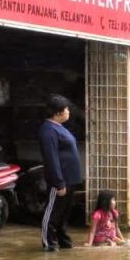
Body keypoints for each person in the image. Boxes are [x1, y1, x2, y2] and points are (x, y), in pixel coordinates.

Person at [39, 94, 83, 251]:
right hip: (59, 180)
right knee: (52, 212)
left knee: (64, 213)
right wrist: (58, 182)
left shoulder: (59, 128)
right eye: (66, 109)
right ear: (57, 112)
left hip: (70, 179)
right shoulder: (48, 130)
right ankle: (48, 242)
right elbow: (51, 158)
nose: (68, 112)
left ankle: (63, 239)